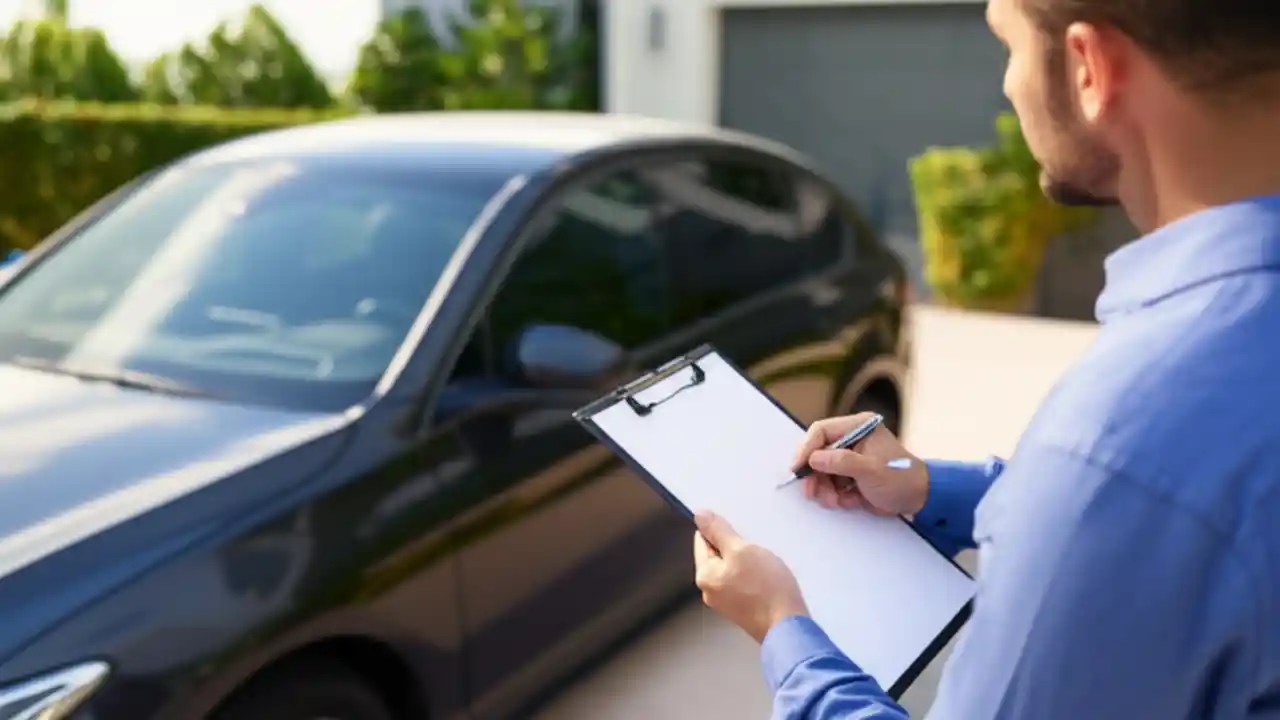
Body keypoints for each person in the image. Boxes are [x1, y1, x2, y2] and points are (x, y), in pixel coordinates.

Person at [691, 0, 1280, 717]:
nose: (1008, 84)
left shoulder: (1118, 448)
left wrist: (785, 631)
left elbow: (1131, 499)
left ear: (1093, 69)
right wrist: (925, 485)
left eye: (1010, 45)